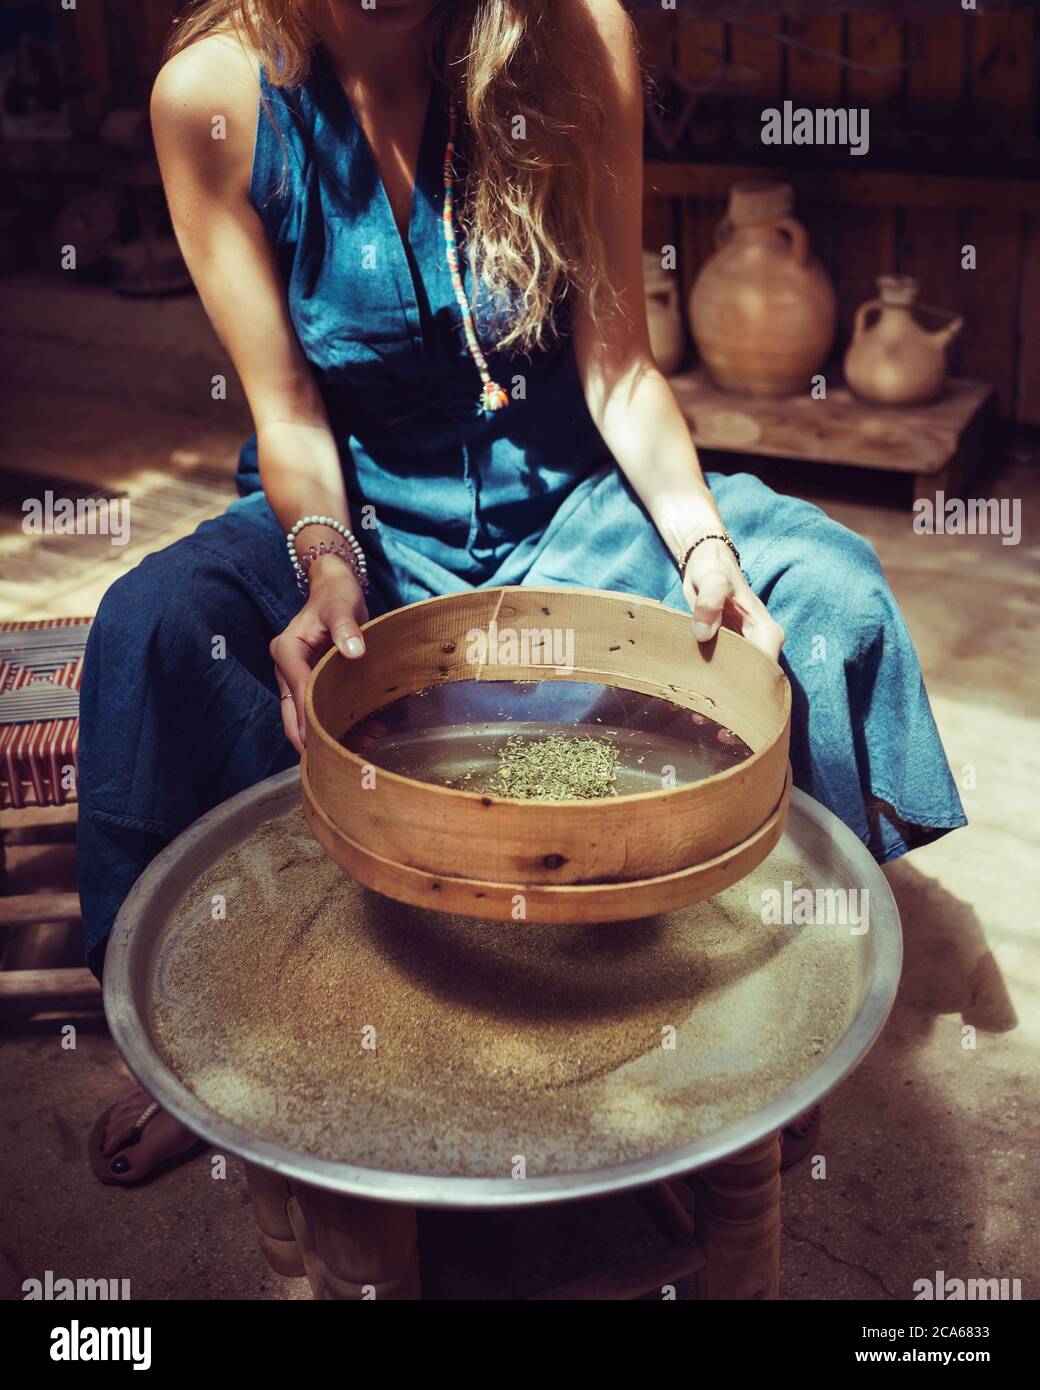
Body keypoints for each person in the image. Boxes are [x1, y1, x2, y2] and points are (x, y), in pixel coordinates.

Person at [81, 0, 965, 1185]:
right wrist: (325, 564)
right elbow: (285, 408)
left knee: (825, 593)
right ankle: (204, 1023)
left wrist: (704, 548)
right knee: (155, 626)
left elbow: (619, 366)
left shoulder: (573, 32)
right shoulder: (212, 99)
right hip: (363, 520)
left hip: (570, 503)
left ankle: (756, 1002)